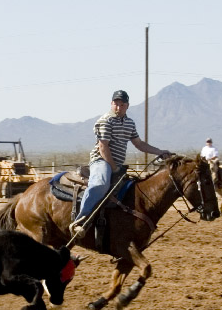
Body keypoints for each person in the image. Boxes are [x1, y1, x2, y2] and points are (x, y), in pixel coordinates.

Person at [69, 90, 171, 238]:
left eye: (122, 104)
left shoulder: (129, 123)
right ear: (111, 104)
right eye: (116, 104)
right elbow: (103, 147)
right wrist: (114, 167)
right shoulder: (106, 121)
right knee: (100, 184)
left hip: (117, 164)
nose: (118, 107)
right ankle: (79, 222)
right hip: (102, 161)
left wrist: (159, 151)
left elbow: (139, 144)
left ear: (127, 106)